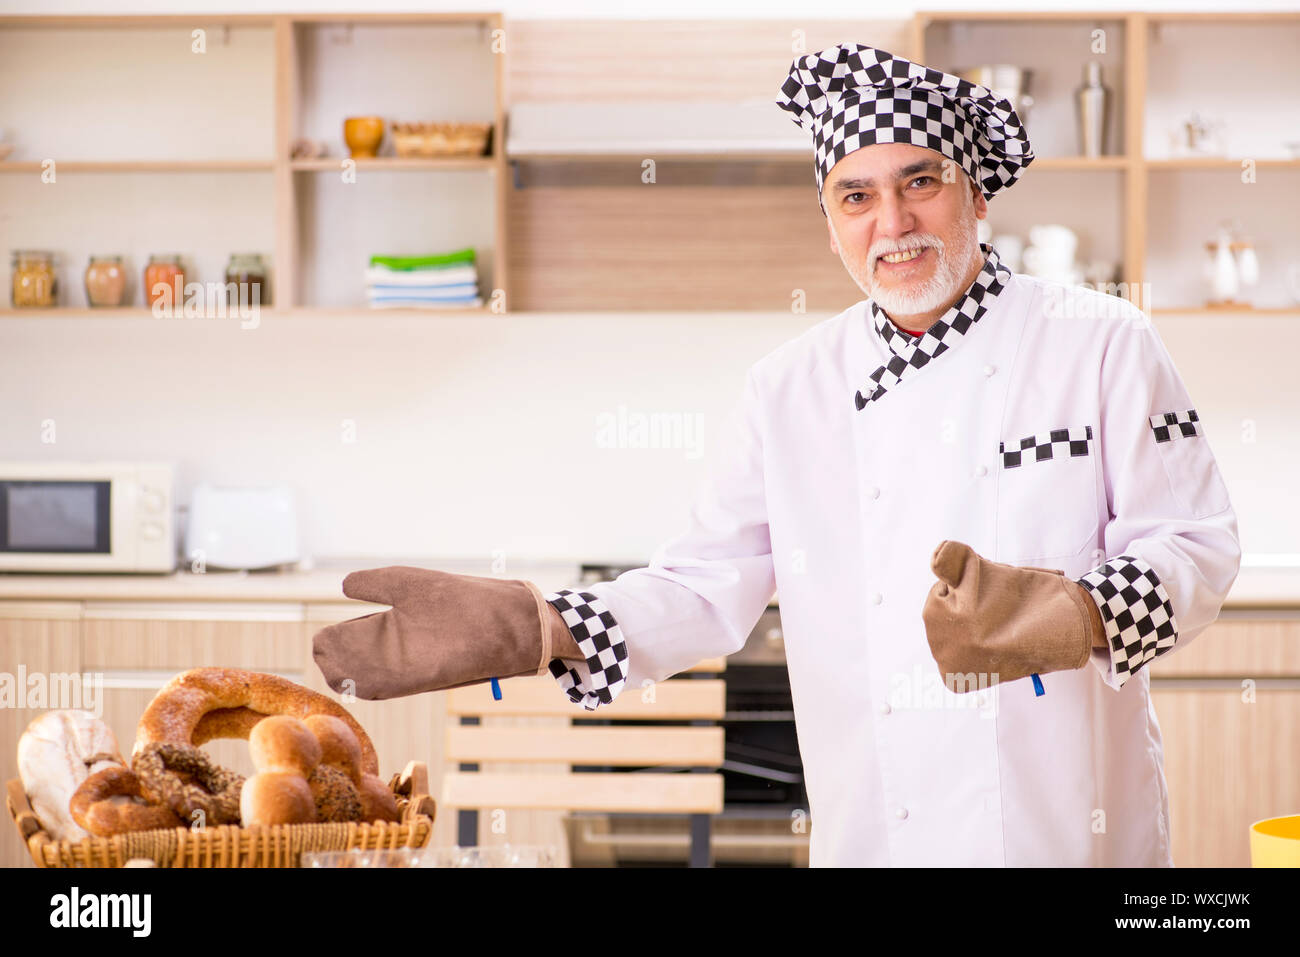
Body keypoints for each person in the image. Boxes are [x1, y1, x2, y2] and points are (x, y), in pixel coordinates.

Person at [312, 43, 1241, 867]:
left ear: (977, 190)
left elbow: (1197, 544)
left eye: (921, 181)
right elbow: (703, 585)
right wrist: (540, 625)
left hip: (1065, 835)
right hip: (875, 835)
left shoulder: (1100, 343)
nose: (893, 222)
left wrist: (1078, 611)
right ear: (831, 220)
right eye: (857, 196)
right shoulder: (789, 387)